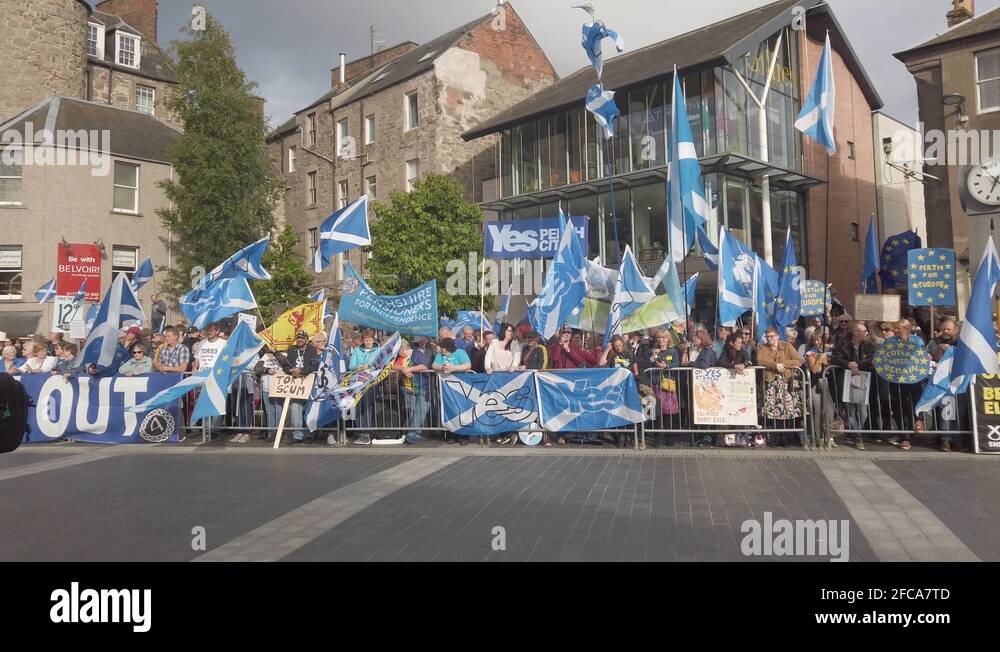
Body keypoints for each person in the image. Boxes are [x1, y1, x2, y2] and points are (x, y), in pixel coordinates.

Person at [831, 322, 876, 449]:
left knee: (863, 413)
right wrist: (847, 364)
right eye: (864, 331)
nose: (866, 333)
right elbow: (835, 358)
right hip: (846, 382)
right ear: (856, 333)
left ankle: (855, 431)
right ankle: (858, 437)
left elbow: (873, 358)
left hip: (863, 382)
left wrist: (857, 364)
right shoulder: (843, 344)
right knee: (851, 412)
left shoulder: (868, 345)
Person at [756, 326, 804, 442]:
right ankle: (774, 437)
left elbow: (798, 361)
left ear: (777, 336)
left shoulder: (787, 346)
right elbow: (760, 360)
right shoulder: (762, 347)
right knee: (772, 410)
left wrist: (784, 364)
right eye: (767, 337)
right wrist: (775, 365)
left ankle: (786, 437)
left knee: (787, 410)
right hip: (771, 383)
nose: (769, 339)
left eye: (771, 336)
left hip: (786, 382)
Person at [281, 330, 321, 444]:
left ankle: (309, 434)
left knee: (309, 409)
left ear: (306, 340)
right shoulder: (292, 350)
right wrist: (290, 370)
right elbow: (285, 364)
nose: (300, 340)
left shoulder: (312, 350)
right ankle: (297, 435)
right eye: (298, 338)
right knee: (295, 408)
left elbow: (315, 365)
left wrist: (302, 371)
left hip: (309, 383)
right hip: (296, 385)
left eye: (302, 338)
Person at [346, 329, 380, 445]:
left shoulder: (378, 350)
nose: (368, 342)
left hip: (371, 383)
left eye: (370, 340)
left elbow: (379, 365)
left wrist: (369, 368)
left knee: (368, 408)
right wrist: (360, 367)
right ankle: (361, 433)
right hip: (358, 383)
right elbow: (351, 366)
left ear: (373, 340)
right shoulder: (356, 351)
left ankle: (368, 433)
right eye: (366, 340)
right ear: (363, 340)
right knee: (359, 407)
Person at [395, 338, 431, 444]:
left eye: (399, 351)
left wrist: (409, 369)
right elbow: (392, 365)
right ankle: (414, 434)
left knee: (422, 409)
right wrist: (402, 369)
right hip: (407, 388)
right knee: (412, 410)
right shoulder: (400, 357)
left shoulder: (417, 354)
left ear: (403, 349)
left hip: (421, 386)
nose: (398, 353)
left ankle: (412, 433)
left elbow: (424, 366)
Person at [253, 345, 284, 438]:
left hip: (278, 389)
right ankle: (271, 433)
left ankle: (279, 433)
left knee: (279, 411)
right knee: (270, 412)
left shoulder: (283, 354)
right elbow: (256, 368)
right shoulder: (265, 356)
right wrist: (267, 370)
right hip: (266, 389)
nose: (270, 348)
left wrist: (276, 353)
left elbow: (285, 363)